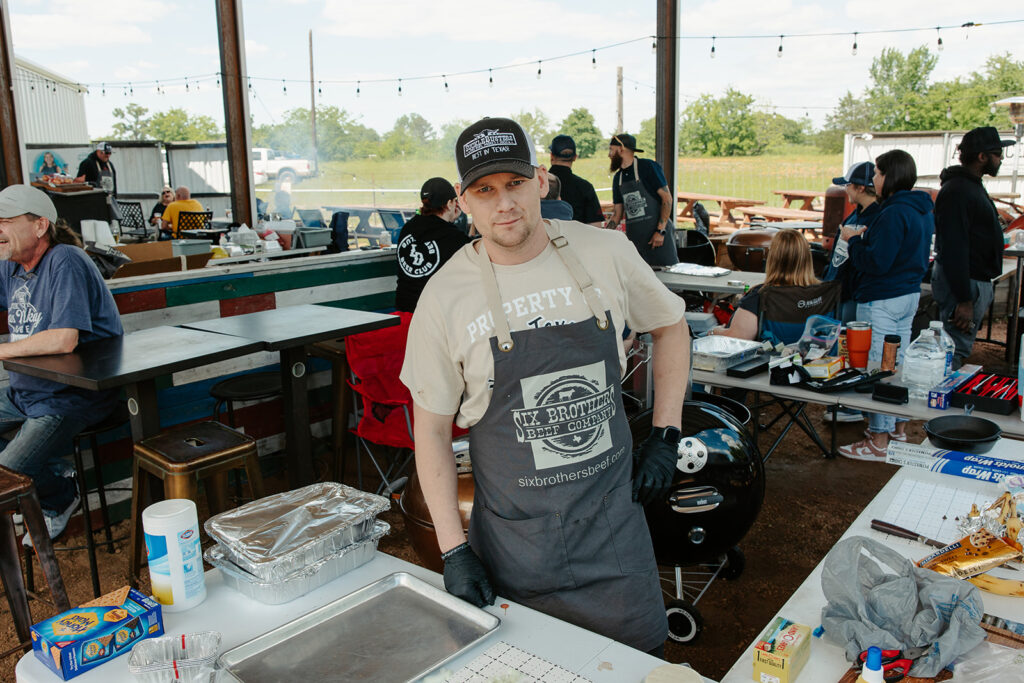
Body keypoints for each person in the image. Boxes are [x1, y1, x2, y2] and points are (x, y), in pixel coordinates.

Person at [401, 117, 689, 656]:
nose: (503, 203)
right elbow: (432, 433)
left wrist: (666, 433)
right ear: (463, 201)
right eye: (484, 190)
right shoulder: (444, 298)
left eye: (514, 183)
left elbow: (671, 328)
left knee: (637, 664)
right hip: (517, 548)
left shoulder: (606, 253)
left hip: (614, 537)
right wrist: (452, 551)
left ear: (540, 180)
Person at [0, 185, 124, 545]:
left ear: (40, 226)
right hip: (27, 392)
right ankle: (52, 475)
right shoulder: (11, 266)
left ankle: (59, 494)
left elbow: (64, 338)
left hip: (72, 396)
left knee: (7, 476)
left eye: (6, 222)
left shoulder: (65, 259)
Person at [838, 150, 934, 461]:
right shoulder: (921, 209)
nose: (875, 179)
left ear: (889, 176)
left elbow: (877, 262)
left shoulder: (892, 213)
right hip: (908, 295)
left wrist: (853, 241)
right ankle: (898, 430)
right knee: (898, 364)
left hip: (882, 297)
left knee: (879, 366)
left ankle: (878, 439)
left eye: (878, 173)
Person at [933, 126, 1017, 369]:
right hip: (964, 284)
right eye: (997, 154)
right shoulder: (958, 190)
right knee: (953, 349)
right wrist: (964, 299)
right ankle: (942, 402)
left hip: (972, 281)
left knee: (957, 346)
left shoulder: (970, 186)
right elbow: (953, 247)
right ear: (982, 157)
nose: (1000, 159)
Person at [822, 161, 880, 424]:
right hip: (841, 290)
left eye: (848, 185)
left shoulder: (873, 217)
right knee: (841, 344)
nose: (845, 189)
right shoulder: (856, 213)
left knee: (851, 349)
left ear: (859, 187)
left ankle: (852, 405)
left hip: (854, 293)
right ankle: (845, 400)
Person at [708, 230, 818, 340]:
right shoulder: (824, 293)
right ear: (808, 257)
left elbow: (736, 337)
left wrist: (715, 331)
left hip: (772, 356)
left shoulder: (759, 296)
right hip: (816, 355)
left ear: (772, 258)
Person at [394, 177, 471, 312]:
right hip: (433, 314)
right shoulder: (452, 236)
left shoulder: (408, 228)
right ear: (449, 203)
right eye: (455, 201)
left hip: (403, 308)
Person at [605, 134, 677, 266]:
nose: (609, 155)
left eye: (611, 149)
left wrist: (660, 231)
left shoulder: (648, 167)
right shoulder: (618, 178)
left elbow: (667, 199)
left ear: (621, 149)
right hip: (636, 242)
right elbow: (617, 214)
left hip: (659, 238)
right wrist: (603, 235)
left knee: (667, 279)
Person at [547, 135, 604, 226]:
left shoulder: (538, 184)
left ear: (552, 156)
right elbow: (596, 225)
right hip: (577, 239)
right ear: (575, 157)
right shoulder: (585, 187)